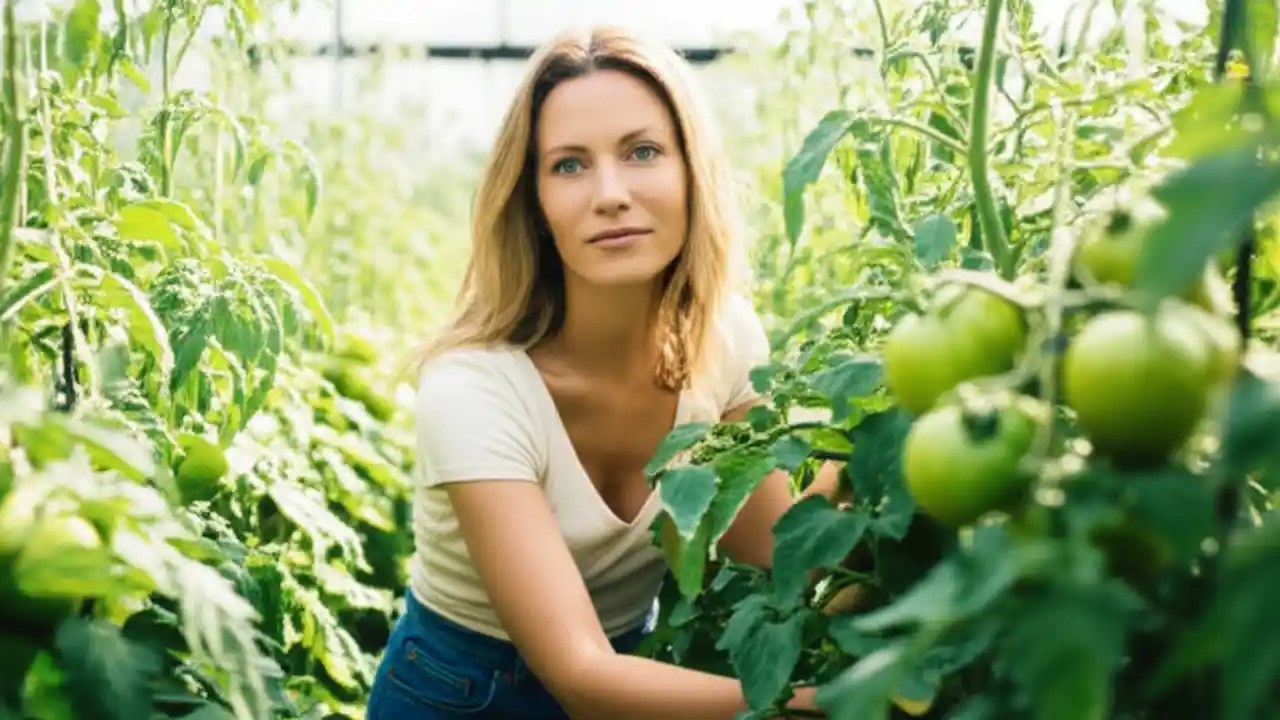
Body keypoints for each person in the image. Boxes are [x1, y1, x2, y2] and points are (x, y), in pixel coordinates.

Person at [366, 24, 847, 720]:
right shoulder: (473, 390)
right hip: (458, 693)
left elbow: (777, 542)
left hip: (640, 680)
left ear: (692, 173)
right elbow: (582, 678)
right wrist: (821, 705)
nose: (611, 193)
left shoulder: (724, 339)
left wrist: (890, 466)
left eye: (643, 152)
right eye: (569, 165)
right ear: (532, 205)